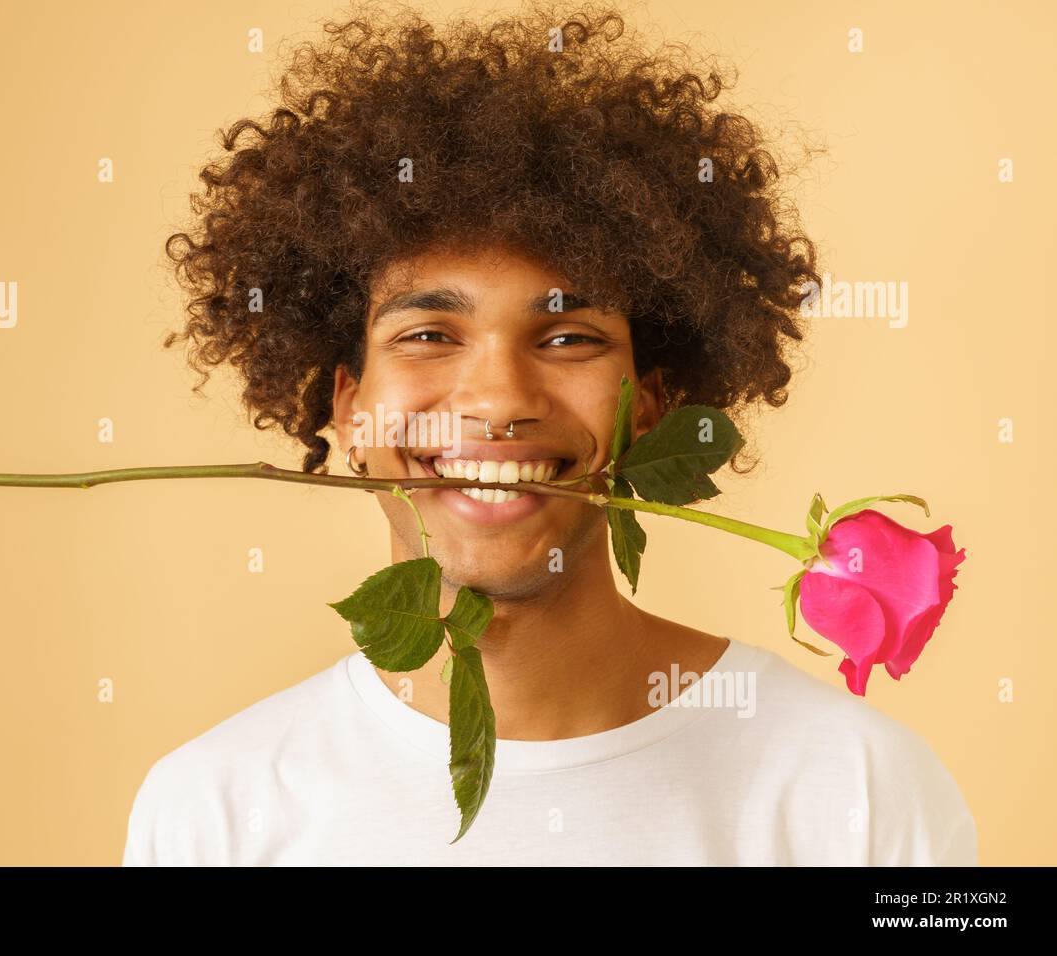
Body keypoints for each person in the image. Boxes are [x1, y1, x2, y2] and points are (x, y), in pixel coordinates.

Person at [123, 1, 977, 865]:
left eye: (568, 338)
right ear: (348, 407)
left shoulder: (862, 790)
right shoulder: (211, 814)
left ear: (649, 405)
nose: (497, 400)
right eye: (427, 335)